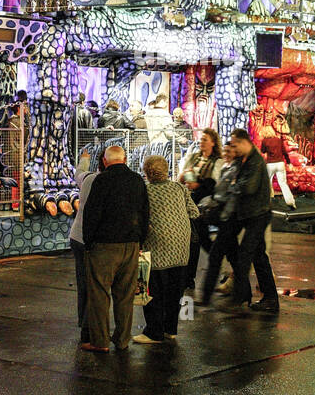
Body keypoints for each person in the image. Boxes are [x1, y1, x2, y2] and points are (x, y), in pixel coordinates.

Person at [79, 145, 149, 352]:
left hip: (104, 246)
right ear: (125, 159)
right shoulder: (137, 180)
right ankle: (122, 340)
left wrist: (88, 242)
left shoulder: (101, 180)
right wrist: (140, 241)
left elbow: (92, 214)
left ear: (106, 161)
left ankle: (100, 342)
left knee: (100, 295)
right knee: (125, 296)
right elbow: (145, 213)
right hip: (131, 245)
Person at [134, 155, 200, 344]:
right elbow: (194, 212)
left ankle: (154, 332)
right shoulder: (179, 187)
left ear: (146, 172)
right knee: (175, 291)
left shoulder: (145, 191)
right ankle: (170, 329)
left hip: (157, 247)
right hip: (181, 247)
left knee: (154, 290)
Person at [215, 129, 280, 312]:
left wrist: (234, 186)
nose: (233, 149)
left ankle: (241, 298)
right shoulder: (245, 160)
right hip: (252, 215)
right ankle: (268, 299)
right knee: (259, 257)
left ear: (244, 142)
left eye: (235, 145)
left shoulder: (255, 161)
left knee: (246, 256)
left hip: (257, 215)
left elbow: (249, 187)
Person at [178, 128, 222, 295]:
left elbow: (215, 185)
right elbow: (183, 175)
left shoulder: (217, 162)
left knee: (198, 240)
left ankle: (193, 277)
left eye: (205, 139)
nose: (202, 142)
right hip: (191, 203)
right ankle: (191, 278)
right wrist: (184, 177)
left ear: (212, 142)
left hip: (204, 206)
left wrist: (199, 185)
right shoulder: (194, 157)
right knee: (196, 240)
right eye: (201, 139)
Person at [197, 142, 239, 304]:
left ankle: (206, 297)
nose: (226, 153)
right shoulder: (227, 169)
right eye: (225, 150)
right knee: (234, 258)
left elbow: (227, 194)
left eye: (229, 151)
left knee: (217, 257)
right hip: (226, 219)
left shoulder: (234, 170)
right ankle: (242, 294)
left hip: (229, 219)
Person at [68, 154, 102, 344]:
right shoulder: (111, 185)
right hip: (96, 241)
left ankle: (84, 320)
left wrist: (84, 159)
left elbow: (78, 173)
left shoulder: (88, 179)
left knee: (83, 282)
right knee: (98, 285)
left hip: (78, 237)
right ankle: (92, 325)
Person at [260, 125, 296, 209]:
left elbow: (263, 151)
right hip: (280, 163)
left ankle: (266, 202)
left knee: (267, 183)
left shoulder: (265, 141)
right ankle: (290, 202)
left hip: (270, 164)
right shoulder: (279, 140)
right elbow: (284, 152)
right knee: (283, 183)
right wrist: (289, 162)